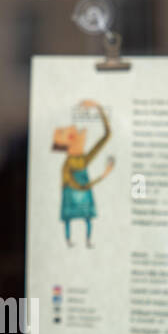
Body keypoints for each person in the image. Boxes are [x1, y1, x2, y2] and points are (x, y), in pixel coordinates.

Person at [53, 99, 114, 247]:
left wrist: (98, 107)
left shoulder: (84, 159)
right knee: (70, 219)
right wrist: (102, 176)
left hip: (83, 197)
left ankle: (87, 240)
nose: (82, 137)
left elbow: (107, 135)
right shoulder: (68, 165)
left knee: (87, 218)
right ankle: (68, 240)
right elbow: (79, 187)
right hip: (74, 198)